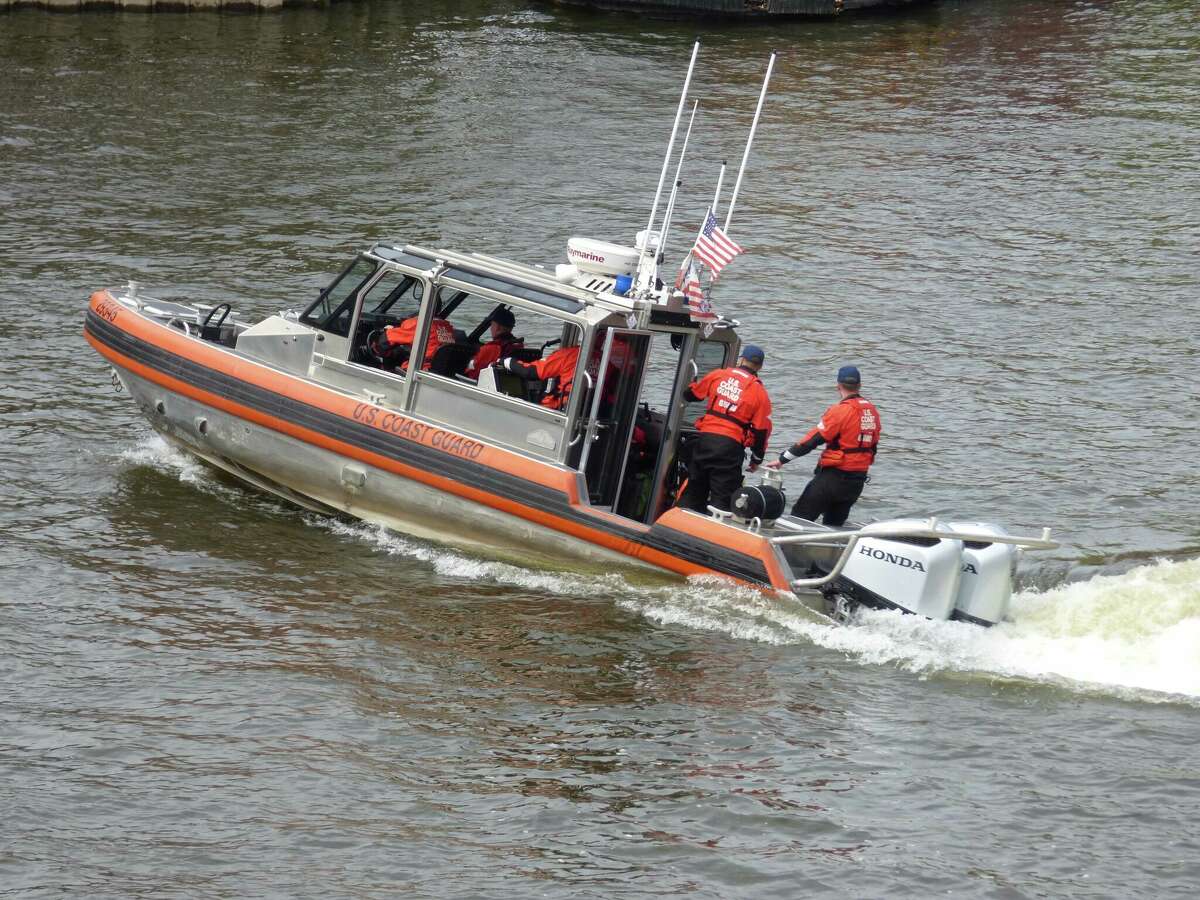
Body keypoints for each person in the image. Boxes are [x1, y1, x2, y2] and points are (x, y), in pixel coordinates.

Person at [765, 365, 881, 526]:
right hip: (856, 481)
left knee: (799, 519)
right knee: (833, 525)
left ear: (838, 386)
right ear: (859, 386)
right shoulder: (872, 411)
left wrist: (782, 459)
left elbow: (812, 441)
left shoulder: (840, 411)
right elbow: (873, 446)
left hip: (833, 478)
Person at [677, 344, 773, 515]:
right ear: (759, 367)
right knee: (722, 499)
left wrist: (692, 383)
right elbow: (761, 431)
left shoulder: (718, 375)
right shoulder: (760, 393)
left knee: (695, 488)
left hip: (705, 441)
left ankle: (678, 524)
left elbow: (691, 395)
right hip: (729, 447)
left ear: (741, 359)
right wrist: (756, 459)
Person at [499, 332, 587, 411]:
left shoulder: (571, 355)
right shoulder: (599, 360)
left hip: (558, 408)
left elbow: (530, 371)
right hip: (581, 408)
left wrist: (505, 361)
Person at [379, 312, 455, 372]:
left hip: (418, 371)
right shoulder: (447, 327)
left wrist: (388, 331)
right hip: (440, 371)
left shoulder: (420, 324)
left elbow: (385, 341)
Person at [464, 308, 523, 380]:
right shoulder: (518, 346)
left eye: (491, 324)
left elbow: (472, 375)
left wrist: (472, 360)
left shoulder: (489, 349)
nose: (491, 328)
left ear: (497, 327)